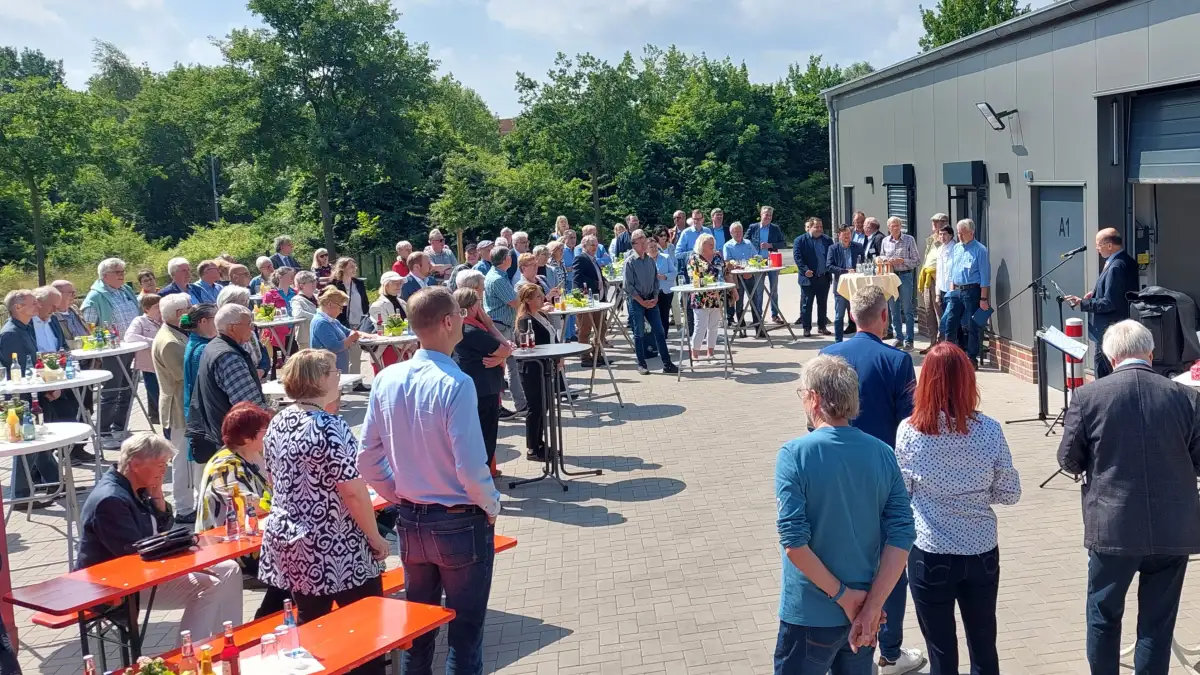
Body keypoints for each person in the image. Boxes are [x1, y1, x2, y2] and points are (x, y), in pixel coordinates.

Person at [358, 287, 502, 675]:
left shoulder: (387, 378)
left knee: (418, 633)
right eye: (458, 313)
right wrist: (491, 504)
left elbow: (366, 457)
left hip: (413, 518)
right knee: (464, 636)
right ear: (448, 322)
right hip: (458, 518)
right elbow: (471, 465)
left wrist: (399, 492)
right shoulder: (456, 383)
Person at [1057, 320, 1200, 675]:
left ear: (1109, 356)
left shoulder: (1089, 396)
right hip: (1172, 528)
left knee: (1103, 616)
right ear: (1150, 353)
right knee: (1157, 622)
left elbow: (1067, 458)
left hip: (1112, 527)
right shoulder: (1186, 397)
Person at [774, 355, 915, 675]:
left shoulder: (794, 454)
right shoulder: (882, 452)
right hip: (864, 614)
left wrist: (843, 596)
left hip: (810, 614)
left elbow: (794, 543)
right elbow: (903, 533)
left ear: (814, 398)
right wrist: (872, 605)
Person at [894, 342, 1022, 675]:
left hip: (930, 552)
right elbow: (1010, 493)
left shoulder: (909, 432)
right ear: (969, 380)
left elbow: (901, 495)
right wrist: (977, 492)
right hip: (981, 551)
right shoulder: (990, 429)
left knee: (941, 653)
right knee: (983, 645)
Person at [260, 350, 388, 675]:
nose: (338, 376)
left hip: (293, 543)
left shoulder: (278, 421)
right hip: (335, 547)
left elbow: (273, 478)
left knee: (312, 629)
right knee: (365, 629)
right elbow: (353, 491)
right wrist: (375, 538)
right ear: (317, 380)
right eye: (332, 371)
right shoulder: (330, 426)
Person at [820, 286, 924, 674]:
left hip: (832, 474)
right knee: (891, 566)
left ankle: (840, 645)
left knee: (838, 557)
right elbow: (910, 424)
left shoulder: (827, 355)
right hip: (883, 476)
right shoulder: (897, 361)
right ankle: (889, 653)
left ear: (850, 317)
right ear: (884, 317)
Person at [77, 433, 243, 641]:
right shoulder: (111, 500)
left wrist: (157, 496)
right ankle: (191, 653)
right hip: (113, 584)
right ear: (136, 464)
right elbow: (134, 554)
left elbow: (162, 527)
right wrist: (183, 556)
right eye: (160, 464)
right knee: (208, 585)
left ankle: (229, 638)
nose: (165, 470)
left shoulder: (137, 486)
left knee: (229, 568)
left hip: (144, 569)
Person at [196, 401, 289, 618]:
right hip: (229, 544)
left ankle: (273, 617)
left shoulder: (255, 455)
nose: (269, 434)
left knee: (299, 560)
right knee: (295, 562)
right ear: (247, 438)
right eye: (264, 431)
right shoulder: (225, 465)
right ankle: (267, 618)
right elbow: (249, 507)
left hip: (257, 537)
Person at [1, 290, 62, 505]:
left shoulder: (26, 328)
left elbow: (32, 362)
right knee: (26, 440)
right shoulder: (10, 333)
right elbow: (14, 371)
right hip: (21, 396)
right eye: (33, 303)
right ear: (18, 307)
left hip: (32, 390)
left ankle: (56, 483)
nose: (38, 306)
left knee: (37, 437)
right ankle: (20, 495)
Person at [187, 304, 266, 469]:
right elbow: (251, 407)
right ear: (232, 328)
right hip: (236, 443)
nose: (252, 328)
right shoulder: (228, 357)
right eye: (248, 324)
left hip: (222, 436)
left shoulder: (214, 346)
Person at [82, 257, 141, 448]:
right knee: (111, 392)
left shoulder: (126, 290)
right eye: (117, 272)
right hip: (111, 352)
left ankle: (120, 429)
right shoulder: (95, 297)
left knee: (128, 390)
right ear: (105, 276)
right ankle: (103, 433)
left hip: (131, 348)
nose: (122, 275)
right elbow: (88, 327)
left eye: (123, 271)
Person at [1064, 228, 1139, 379]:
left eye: (1099, 244)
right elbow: (1116, 292)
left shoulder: (1116, 266)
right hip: (1112, 327)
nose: (1097, 248)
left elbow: (1110, 302)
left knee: (1104, 374)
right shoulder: (1125, 260)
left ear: (1110, 245)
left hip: (1107, 330)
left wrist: (1083, 303)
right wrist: (1095, 293)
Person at [453, 288, 510, 477]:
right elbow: (505, 347)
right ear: (472, 306)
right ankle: (482, 478)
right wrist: (491, 325)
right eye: (479, 301)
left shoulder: (456, 328)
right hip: (483, 389)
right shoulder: (471, 331)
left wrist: (500, 359)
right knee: (485, 434)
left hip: (473, 386)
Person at [152, 293, 195, 521]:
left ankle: (189, 503)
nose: (192, 309)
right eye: (189, 307)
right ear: (179, 314)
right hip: (178, 409)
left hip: (182, 405)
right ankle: (183, 508)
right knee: (182, 460)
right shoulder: (169, 341)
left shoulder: (177, 334)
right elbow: (182, 376)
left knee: (189, 459)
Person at [515, 284, 561, 461]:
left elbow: (552, 335)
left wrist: (559, 356)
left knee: (545, 406)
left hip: (547, 367)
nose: (543, 299)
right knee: (536, 407)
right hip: (533, 369)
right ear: (527, 300)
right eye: (538, 297)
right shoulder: (525, 320)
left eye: (542, 295)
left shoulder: (541, 315)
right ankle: (532, 447)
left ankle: (541, 442)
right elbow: (527, 346)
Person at [624, 229, 678, 375]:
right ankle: (641, 363)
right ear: (634, 245)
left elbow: (655, 280)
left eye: (644, 242)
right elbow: (628, 287)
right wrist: (642, 302)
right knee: (639, 333)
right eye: (640, 243)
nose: (643, 245)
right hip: (637, 301)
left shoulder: (649, 260)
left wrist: (654, 297)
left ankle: (667, 364)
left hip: (651, 299)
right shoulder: (630, 262)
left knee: (660, 332)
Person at [940, 219, 990, 369]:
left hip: (972, 290)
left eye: (962, 233)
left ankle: (971, 358)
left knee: (971, 325)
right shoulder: (957, 248)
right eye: (958, 233)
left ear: (971, 232)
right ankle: (949, 355)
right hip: (956, 290)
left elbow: (985, 276)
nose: (959, 236)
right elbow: (953, 270)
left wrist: (983, 298)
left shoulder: (980, 250)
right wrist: (951, 289)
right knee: (950, 322)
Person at [484, 246, 527, 418]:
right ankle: (514, 405)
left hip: (502, 325)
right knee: (508, 366)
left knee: (509, 365)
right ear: (505, 260)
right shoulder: (497, 279)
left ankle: (518, 404)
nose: (512, 259)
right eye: (510, 256)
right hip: (500, 326)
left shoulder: (498, 275)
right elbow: (514, 302)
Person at [687, 233, 731, 361]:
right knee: (700, 327)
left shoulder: (718, 256)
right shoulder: (694, 258)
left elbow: (725, 273)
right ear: (701, 244)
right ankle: (694, 355)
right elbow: (692, 276)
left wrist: (733, 290)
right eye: (708, 242)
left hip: (717, 296)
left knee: (714, 326)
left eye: (713, 241)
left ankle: (710, 353)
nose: (712, 244)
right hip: (701, 298)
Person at [881, 217, 921, 351]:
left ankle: (909, 340)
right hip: (891, 277)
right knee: (894, 308)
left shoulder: (909, 240)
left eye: (898, 225)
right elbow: (881, 257)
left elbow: (917, 261)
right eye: (893, 226)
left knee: (907, 308)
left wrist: (902, 261)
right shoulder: (885, 241)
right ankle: (899, 337)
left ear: (901, 226)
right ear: (888, 228)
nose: (896, 228)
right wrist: (886, 260)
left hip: (905, 276)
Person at [125, 294, 163, 425]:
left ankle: (157, 417)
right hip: (149, 365)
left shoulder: (164, 320)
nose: (160, 309)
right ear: (146, 309)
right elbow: (129, 337)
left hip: (163, 364)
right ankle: (159, 418)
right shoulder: (139, 321)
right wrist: (153, 342)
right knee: (155, 393)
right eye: (157, 307)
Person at [793, 217, 835, 337]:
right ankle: (807, 328)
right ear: (809, 227)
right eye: (817, 227)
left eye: (821, 227)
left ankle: (822, 327)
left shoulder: (827, 240)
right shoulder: (799, 241)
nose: (819, 229)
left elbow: (831, 257)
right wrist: (805, 270)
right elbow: (798, 258)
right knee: (807, 304)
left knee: (822, 303)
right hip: (808, 278)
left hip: (823, 277)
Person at [573, 234, 609, 368]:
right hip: (586, 300)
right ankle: (585, 357)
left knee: (602, 327)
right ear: (584, 246)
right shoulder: (580, 258)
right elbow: (577, 279)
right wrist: (595, 283)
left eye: (596, 245)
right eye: (591, 245)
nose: (594, 248)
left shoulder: (593, 259)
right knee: (585, 329)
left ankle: (597, 354)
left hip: (598, 300)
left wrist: (602, 281)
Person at [747, 206, 787, 325]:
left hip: (772, 262)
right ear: (761, 214)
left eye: (770, 215)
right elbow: (746, 241)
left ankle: (775, 315)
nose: (768, 217)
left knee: (773, 290)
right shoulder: (753, 227)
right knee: (758, 291)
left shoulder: (775, 228)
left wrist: (770, 245)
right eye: (766, 214)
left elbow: (783, 243)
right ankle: (758, 316)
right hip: (758, 263)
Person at [331, 257, 369, 380]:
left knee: (356, 353)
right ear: (342, 268)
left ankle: (356, 381)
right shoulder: (334, 284)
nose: (354, 269)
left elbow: (365, 302)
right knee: (342, 354)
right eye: (351, 266)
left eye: (354, 266)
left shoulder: (358, 283)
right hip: (340, 322)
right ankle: (341, 381)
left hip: (358, 321)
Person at [826, 225, 865, 343]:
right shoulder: (833, 248)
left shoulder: (858, 247)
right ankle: (838, 341)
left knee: (858, 315)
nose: (847, 236)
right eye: (844, 234)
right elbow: (829, 266)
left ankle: (859, 341)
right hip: (841, 286)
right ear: (839, 236)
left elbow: (863, 263)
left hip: (855, 286)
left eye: (848, 233)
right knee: (839, 316)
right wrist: (845, 271)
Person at [917, 213, 950, 354]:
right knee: (928, 311)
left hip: (938, 279)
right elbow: (926, 258)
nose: (934, 225)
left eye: (937, 222)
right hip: (928, 278)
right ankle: (932, 342)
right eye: (934, 222)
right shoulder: (931, 240)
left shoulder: (945, 240)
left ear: (944, 223)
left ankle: (942, 343)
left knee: (939, 311)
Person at [311, 287, 362, 374]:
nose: (341, 311)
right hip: (327, 371)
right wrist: (351, 339)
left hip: (337, 369)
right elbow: (334, 347)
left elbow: (347, 331)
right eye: (340, 308)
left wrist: (358, 335)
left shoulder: (332, 320)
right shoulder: (321, 322)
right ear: (330, 304)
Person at [722, 222, 757, 332]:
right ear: (731, 233)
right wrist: (736, 265)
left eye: (740, 231)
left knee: (755, 301)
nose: (738, 234)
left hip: (750, 275)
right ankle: (742, 328)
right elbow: (727, 262)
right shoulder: (728, 245)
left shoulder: (748, 243)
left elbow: (755, 257)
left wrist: (753, 264)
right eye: (736, 232)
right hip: (737, 278)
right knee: (739, 302)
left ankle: (758, 327)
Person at [261, 266, 297, 360]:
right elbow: (266, 316)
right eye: (290, 276)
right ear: (280, 277)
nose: (292, 279)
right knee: (276, 364)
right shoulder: (269, 295)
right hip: (277, 335)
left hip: (295, 332)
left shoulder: (296, 293)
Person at [290, 271, 319, 349]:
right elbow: (297, 313)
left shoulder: (318, 297)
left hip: (320, 337)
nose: (314, 283)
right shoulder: (296, 300)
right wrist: (318, 318)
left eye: (314, 280)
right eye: (310, 281)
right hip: (306, 339)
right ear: (301, 285)